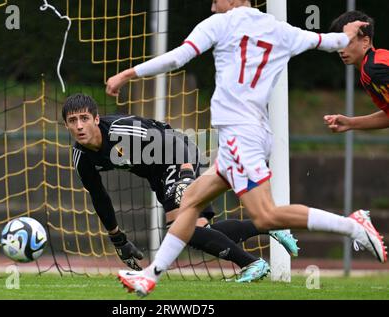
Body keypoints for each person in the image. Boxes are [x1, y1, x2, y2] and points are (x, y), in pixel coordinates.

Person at [106, 0, 387, 297]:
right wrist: (349, 35)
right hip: (248, 132)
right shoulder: (282, 30)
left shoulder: (221, 23)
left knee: (265, 216)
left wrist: (127, 74)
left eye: (216, 1)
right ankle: (150, 276)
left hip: (241, 134)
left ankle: (353, 226)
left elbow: (178, 58)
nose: (213, 7)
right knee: (189, 201)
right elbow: (330, 42)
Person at [63, 93, 299, 283]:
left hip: (177, 156)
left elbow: (170, 139)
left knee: (180, 228)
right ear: (66, 125)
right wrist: (118, 239)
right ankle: (269, 225)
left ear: (96, 119)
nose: (79, 126)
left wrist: (186, 173)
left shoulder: (119, 130)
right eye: (73, 121)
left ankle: (251, 263)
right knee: (200, 230)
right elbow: (99, 196)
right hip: (158, 174)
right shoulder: (82, 157)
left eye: (84, 118)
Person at [324, 11, 389, 131]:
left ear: (365, 41)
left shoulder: (375, 69)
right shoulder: (369, 71)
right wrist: (350, 123)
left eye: (347, 42)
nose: (341, 50)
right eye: (339, 43)